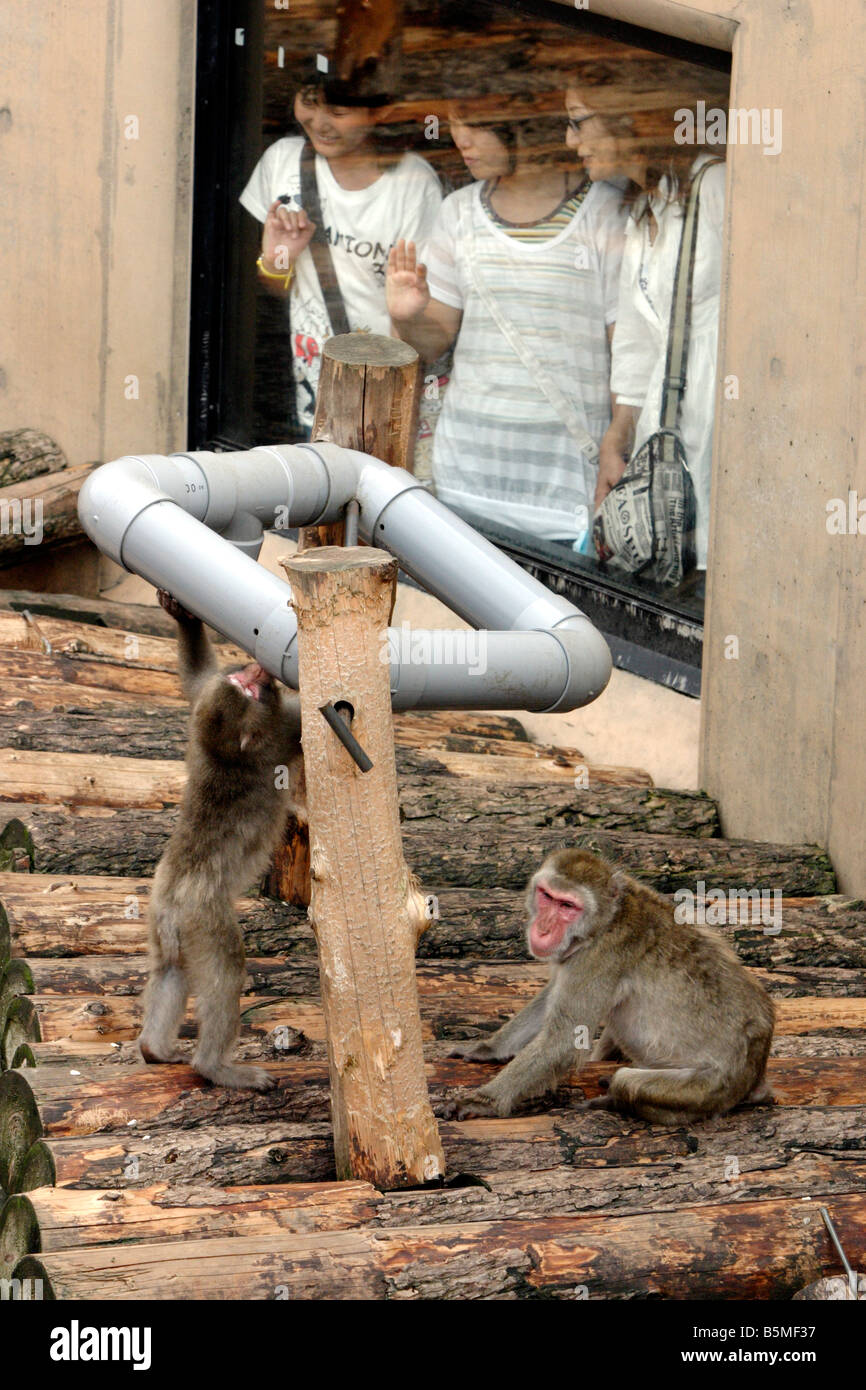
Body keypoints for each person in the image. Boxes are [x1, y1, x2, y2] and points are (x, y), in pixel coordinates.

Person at [386, 96, 627, 544]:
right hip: (466, 482)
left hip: (569, 491)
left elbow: (627, 354)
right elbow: (432, 344)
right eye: (455, 123)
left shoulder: (605, 212)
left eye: (474, 125)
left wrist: (619, 446)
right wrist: (406, 319)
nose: (459, 138)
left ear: (522, 124)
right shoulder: (458, 211)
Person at [565, 66, 728, 574]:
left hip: (722, 426)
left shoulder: (715, 188)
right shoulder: (643, 207)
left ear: (627, 115)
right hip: (668, 433)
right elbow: (636, 339)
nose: (570, 142)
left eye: (577, 122)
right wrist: (620, 434)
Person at [240, 67, 443, 434]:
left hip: (381, 399)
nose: (319, 123)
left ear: (379, 112)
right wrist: (275, 261)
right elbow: (274, 287)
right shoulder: (283, 161)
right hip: (314, 397)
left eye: (337, 112)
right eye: (310, 104)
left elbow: (421, 315)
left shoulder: (413, 185)